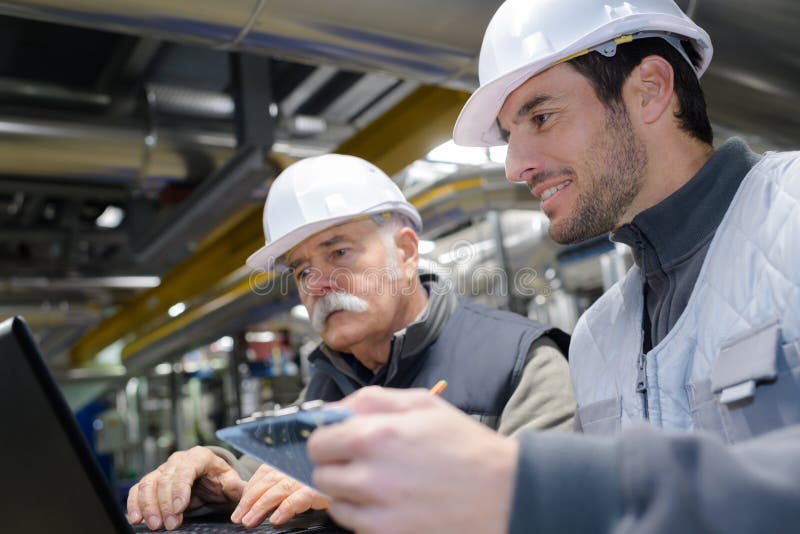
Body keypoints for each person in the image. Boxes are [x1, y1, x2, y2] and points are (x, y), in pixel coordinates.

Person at [306, 1, 800, 533]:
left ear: (650, 89)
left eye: (541, 117)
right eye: (511, 134)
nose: (516, 167)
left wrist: (529, 483)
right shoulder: (597, 338)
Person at [126, 154, 576, 531]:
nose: (318, 283)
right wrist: (220, 474)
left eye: (339, 253)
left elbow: (554, 514)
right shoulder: (328, 382)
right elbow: (280, 477)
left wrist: (382, 486)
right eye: (302, 270)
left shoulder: (519, 362)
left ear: (405, 252)